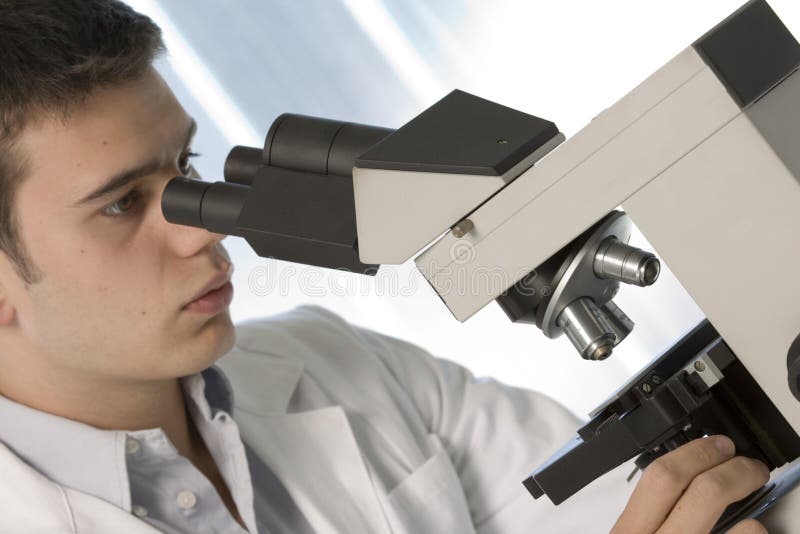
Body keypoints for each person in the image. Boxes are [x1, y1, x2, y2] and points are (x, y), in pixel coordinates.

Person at [0, 1, 774, 533]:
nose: (198, 233)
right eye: (120, 205)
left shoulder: (336, 363)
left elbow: (634, 503)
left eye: (187, 166)